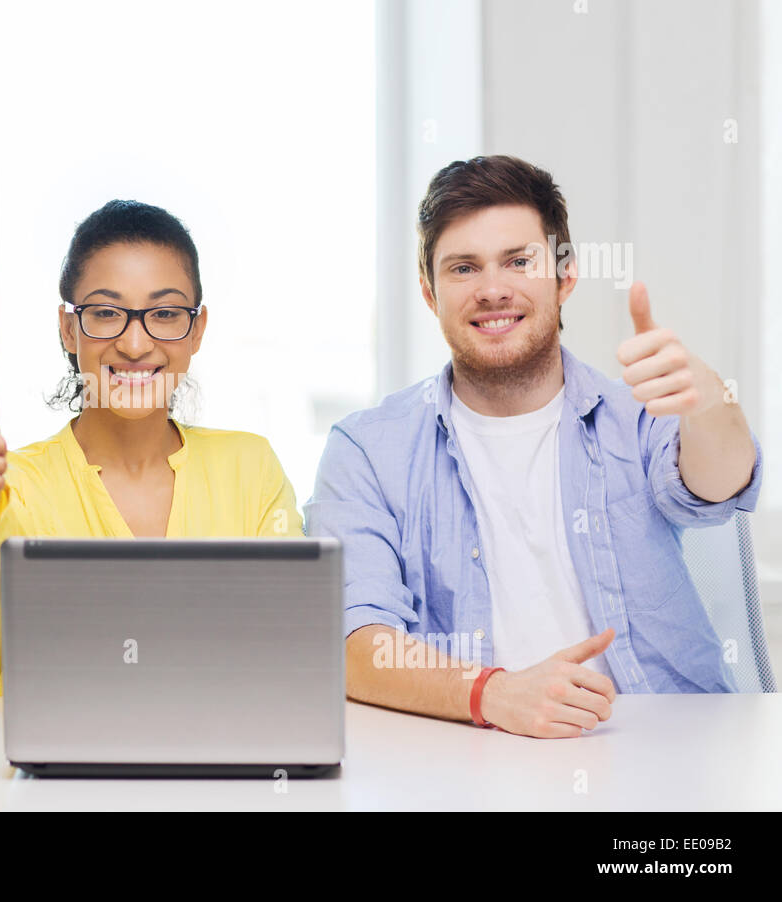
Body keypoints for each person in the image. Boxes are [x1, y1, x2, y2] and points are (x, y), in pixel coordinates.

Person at [306, 155, 762, 738]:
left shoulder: (638, 416)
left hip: (661, 745)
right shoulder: (366, 451)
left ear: (564, 276)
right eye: (463, 269)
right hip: (471, 750)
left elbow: (718, 486)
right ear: (429, 292)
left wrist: (710, 402)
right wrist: (491, 694)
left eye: (519, 261)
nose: (493, 290)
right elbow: (353, 642)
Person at [0, 199, 302, 694]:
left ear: (196, 330)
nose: (134, 344)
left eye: (166, 313)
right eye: (107, 313)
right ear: (69, 328)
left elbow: (287, 638)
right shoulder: (18, 483)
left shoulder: (251, 467)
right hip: (58, 765)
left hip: (219, 759)